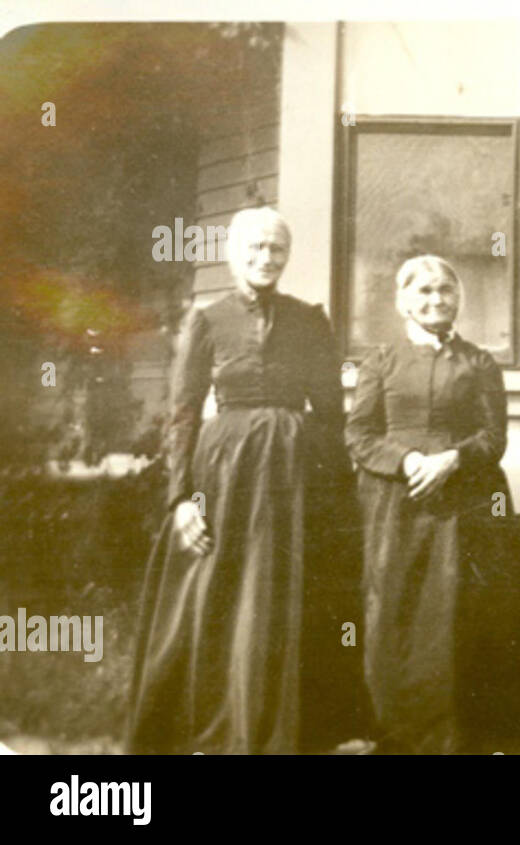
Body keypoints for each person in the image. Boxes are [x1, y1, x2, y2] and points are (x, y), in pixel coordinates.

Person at [126, 207, 368, 754]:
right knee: (224, 591)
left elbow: (330, 411)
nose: (266, 259)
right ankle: (220, 721)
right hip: (224, 475)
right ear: (235, 254)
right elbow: (183, 411)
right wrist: (182, 500)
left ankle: (296, 727)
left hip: (295, 476)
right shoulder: (208, 320)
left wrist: (336, 492)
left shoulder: (310, 320)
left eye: (276, 250)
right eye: (255, 249)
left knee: (288, 592)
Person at [345, 255, 520, 754]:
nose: (435, 300)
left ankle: (463, 740)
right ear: (403, 301)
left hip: (464, 505)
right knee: (395, 614)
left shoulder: (480, 362)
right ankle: (395, 737)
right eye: (422, 291)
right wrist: (406, 462)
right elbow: (359, 435)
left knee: (460, 616)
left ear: (458, 300)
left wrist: (451, 460)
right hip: (395, 506)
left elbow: (494, 438)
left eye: (445, 290)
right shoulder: (380, 360)